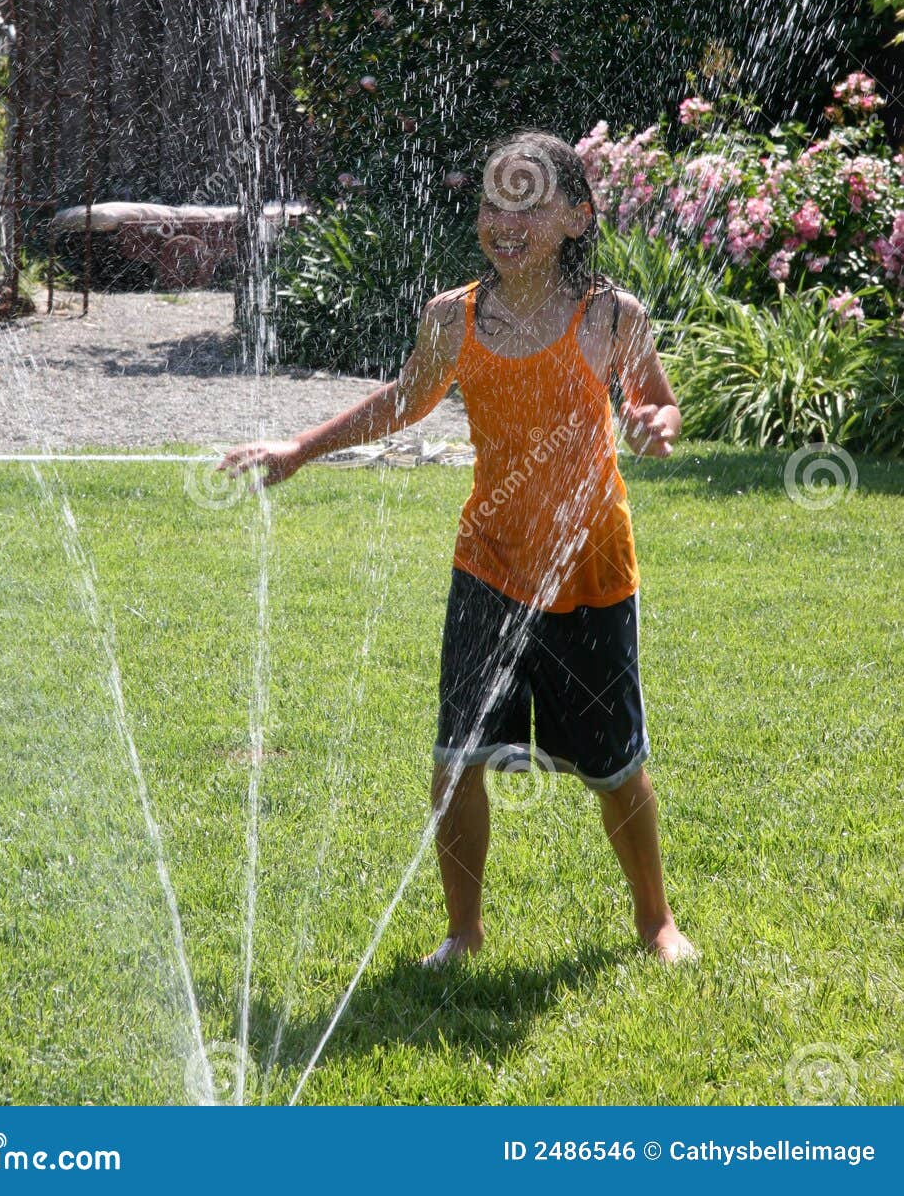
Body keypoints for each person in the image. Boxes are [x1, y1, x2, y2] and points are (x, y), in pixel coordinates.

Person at [218, 130, 699, 969]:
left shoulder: (609, 317)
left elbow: (657, 406)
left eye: (528, 201)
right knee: (455, 758)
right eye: (491, 202)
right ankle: (463, 931)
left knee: (614, 768)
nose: (504, 219)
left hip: (590, 570)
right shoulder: (454, 317)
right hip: (490, 561)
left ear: (577, 215)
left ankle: (654, 920)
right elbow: (404, 401)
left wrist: (657, 423)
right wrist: (300, 448)